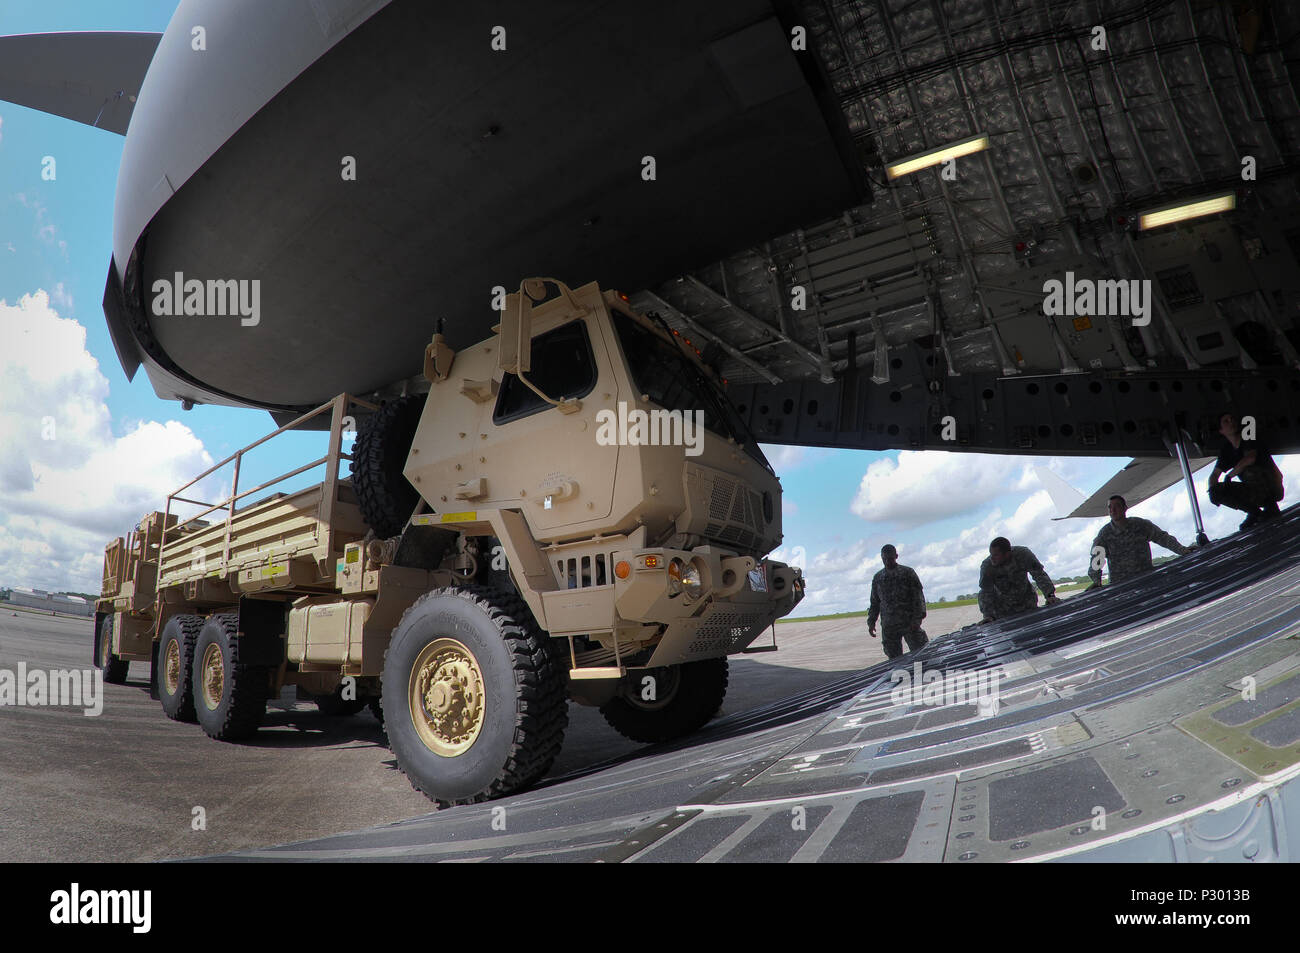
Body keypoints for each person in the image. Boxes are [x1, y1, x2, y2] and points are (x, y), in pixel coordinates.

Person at [1087, 495, 1193, 586]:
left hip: (1146, 579)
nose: (1113, 510)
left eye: (1117, 506)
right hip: (1120, 586)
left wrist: (1182, 550)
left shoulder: (1140, 525)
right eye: (1110, 507)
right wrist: (1097, 581)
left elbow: (1162, 538)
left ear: (1125, 508)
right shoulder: (1104, 534)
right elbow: (1096, 560)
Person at [1208, 412, 1284, 530]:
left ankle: (1270, 505)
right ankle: (1255, 512)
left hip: (1273, 486)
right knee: (1217, 491)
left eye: (1232, 418)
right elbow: (1214, 474)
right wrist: (1212, 490)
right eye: (1226, 421)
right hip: (1254, 490)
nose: (1231, 422)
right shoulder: (1227, 450)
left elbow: (1250, 458)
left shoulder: (1248, 436)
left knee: (1249, 469)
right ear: (1221, 430)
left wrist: (1230, 476)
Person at [867, 544, 928, 659]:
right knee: (894, 660)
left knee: (921, 654)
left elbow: (918, 597)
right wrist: (871, 622)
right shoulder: (878, 578)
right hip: (889, 627)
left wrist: (917, 619)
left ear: (896, 556)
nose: (887, 561)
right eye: (884, 559)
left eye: (889, 558)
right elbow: (875, 603)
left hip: (909, 623)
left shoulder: (907, 573)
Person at [978, 536, 1059, 622]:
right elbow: (985, 591)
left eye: (996, 555)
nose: (992, 558)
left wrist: (1050, 596)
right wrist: (988, 615)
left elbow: (1039, 574)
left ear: (1007, 554)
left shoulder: (1023, 554)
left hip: (1027, 603)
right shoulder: (987, 566)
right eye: (991, 554)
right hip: (1003, 609)